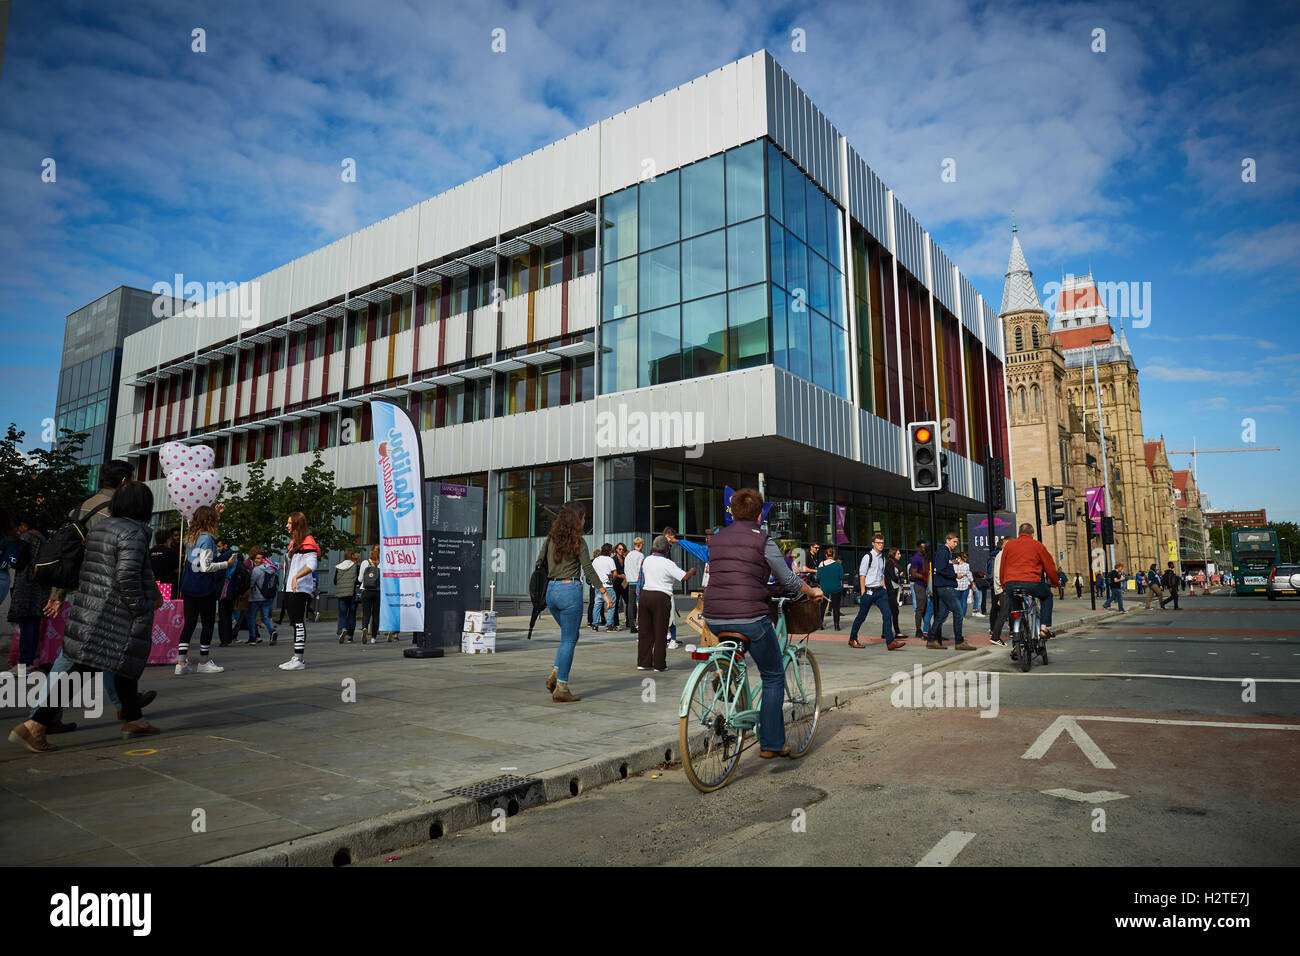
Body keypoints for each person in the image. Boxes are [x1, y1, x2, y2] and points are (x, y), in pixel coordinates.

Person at [9, 481, 163, 753]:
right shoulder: (135, 533)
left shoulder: (103, 527)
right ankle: (35, 725)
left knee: (121, 663)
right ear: (143, 506)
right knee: (85, 670)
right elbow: (126, 575)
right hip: (114, 614)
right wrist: (140, 605)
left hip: (92, 606)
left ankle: (134, 719)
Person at [703, 488, 822, 759]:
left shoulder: (717, 540)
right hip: (749, 615)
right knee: (773, 674)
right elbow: (788, 580)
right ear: (759, 515)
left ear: (732, 513)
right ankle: (771, 743)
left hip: (713, 615)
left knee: (735, 651)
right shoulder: (763, 540)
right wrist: (812, 591)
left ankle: (725, 672)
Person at [43, 459, 134, 619]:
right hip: (107, 592)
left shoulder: (77, 510)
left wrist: (56, 594)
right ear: (124, 481)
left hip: (77, 589)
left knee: (78, 638)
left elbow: (67, 554)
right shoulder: (118, 512)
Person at [539, 501, 611, 702]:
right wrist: (604, 592)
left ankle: (554, 674)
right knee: (569, 640)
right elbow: (588, 569)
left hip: (551, 592)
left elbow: (539, 563)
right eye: (583, 517)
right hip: (569, 590)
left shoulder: (550, 540)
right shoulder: (579, 541)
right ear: (576, 519)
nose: (585, 520)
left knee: (569, 637)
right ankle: (561, 687)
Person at [176, 504, 236, 675]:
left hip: (188, 584)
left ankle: (181, 663)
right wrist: (227, 563)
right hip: (203, 586)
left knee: (189, 623)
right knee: (208, 623)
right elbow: (205, 566)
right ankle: (203, 661)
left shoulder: (190, 537)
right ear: (210, 522)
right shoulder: (207, 540)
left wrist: (216, 513)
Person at [999, 523, 1059, 657]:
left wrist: (1005, 586)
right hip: (1031, 583)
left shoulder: (1009, 545)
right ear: (1032, 534)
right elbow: (1049, 566)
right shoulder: (1037, 545)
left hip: (1010, 583)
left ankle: (1016, 645)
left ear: (1019, 533)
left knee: (1016, 610)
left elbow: (1003, 567)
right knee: (1047, 596)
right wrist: (1055, 582)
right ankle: (1043, 628)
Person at [637, 536, 696, 671]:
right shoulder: (668, 563)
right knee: (660, 631)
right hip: (661, 596)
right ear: (666, 549)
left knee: (645, 632)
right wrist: (692, 571)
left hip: (645, 595)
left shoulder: (646, 560)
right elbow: (684, 577)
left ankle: (643, 662)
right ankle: (659, 664)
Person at [8, 513, 50, 668]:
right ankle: (32, 660)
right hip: (40, 587)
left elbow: (19, 562)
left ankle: (24, 662)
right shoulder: (43, 537)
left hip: (26, 588)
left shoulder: (26, 537)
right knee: (34, 625)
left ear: (24, 525)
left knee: (26, 626)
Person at [279, 512, 319, 670]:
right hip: (290, 587)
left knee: (298, 623)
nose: (287, 525)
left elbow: (312, 565)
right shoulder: (294, 542)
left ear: (297, 524)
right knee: (295, 623)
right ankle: (296, 657)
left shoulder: (308, 542)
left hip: (300, 588)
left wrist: (296, 577)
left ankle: (299, 659)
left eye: (289, 523)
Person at [848, 534, 902, 649]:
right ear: (873, 543)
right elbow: (862, 575)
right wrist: (863, 592)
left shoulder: (882, 557)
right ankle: (852, 639)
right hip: (868, 591)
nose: (881, 545)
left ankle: (890, 642)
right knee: (861, 617)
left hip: (880, 592)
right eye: (878, 543)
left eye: (882, 543)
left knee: (887, 614)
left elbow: (882, 574)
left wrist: (884, 587)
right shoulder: (868, 557)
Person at [927, 531, 974, 651]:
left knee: (941, 615)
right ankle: (959, 642)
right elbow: (940, 569)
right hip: (945, 587)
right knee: (958, 612)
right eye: (954, 542)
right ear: (947, 540)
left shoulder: (946, 552)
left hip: (944, 586)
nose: (956, 544)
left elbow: (941, 568)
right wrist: (955, 575)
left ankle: (931, 640)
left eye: (957, 542)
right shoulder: (943, 551)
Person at [246, 549, 277, 644]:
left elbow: (251, 584)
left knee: (251, 617)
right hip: (268, 597)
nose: (256, 560)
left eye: (259, 558)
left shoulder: (256, 570)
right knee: (265, 617)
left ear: (263, 559)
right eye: (256, 558)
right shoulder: (271, 569)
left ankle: (252, 638)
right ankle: (272, 631)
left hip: (256, 597)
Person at [908, 540, 934, 641]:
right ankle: (918, 630)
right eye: (923, 547)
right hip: (919, 586)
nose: (925, 549)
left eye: (925, 547)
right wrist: (924, 577)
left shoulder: (926, 556)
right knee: (920, 608)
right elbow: (913, 573)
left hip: (927, 585)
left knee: (927, 609)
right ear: (919, 548)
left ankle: (928, 629)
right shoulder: (916, 558)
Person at [590, 544, 618, 632]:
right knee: (611, 604)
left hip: (598, 586)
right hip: (608, 585)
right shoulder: (610, 560)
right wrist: (612, 580)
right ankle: (609, 624)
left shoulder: (595, 560)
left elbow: (592, 573)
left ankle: (594, 624)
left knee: (597, 605)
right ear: (609, 551)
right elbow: (615, 574)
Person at [334, 550, 360, 643]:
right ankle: (350, 636)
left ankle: (343, 628)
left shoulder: (338, 567)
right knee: (352, 615)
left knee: (342, 614)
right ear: (352, 557)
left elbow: (335, 581)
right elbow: (358, 580)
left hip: (341, 594)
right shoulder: (356, 567)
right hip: (352, 594)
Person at [816, 546, 844, 630]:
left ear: (825, 555)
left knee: (822, 607)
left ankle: (820, 625)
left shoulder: (821, 564)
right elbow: (841, 577)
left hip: (824, 589)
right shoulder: (838, 565)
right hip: (836, 588)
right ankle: (836, 626)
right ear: (833, 555)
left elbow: (818, 577)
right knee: (836, 607)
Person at [359, 545, 382, 643]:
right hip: (377, 591)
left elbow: (360, 579)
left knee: (366, 612)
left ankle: (364, 628)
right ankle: (373, 638)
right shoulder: (382, 564)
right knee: (376, 614)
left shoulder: (365, 563)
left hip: (366, 591)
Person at [148, 527, 180, 594]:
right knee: (165, 603)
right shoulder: (170, 552)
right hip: (166, 585)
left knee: (155, 604)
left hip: (151, 585)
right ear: (167, 540)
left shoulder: (150, 552)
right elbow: (177, 570)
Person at [623, 537, 645, 630]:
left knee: (631, 604)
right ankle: (641, 623)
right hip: (638, 582)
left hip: (630, 582)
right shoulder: (640, 555)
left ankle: (632, 625)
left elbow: (625, 569)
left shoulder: (628, 555)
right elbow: (642, 569)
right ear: (640, 545)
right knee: (641, 604)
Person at [885, 547, 905, 640]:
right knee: (894, 611)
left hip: (894, 589)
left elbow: (900, 571)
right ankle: (896, 632)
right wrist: (899, 578)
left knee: (890, 611)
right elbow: (893, 576)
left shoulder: (894, 563)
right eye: (898, 553)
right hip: (890, 590)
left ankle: (886, 632)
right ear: (893, 554)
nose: (900, 555)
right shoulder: (889, 563)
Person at [954, 551, 974, 618]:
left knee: (958, 601)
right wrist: (972, 582)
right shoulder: (967, 565)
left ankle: (959, 615)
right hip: (965, 585)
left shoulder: (954, 566)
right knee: (964, 601)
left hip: (957, 586)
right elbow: (969, 575)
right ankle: (962, 616)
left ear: (959, 557)